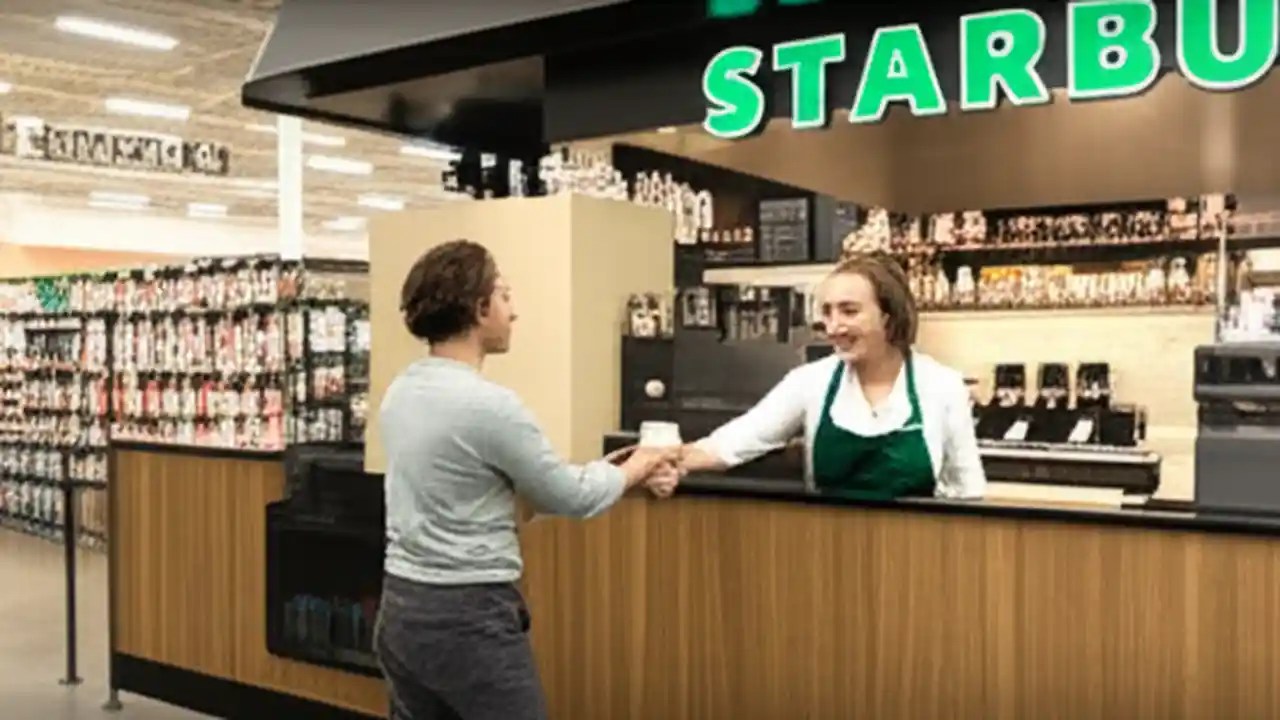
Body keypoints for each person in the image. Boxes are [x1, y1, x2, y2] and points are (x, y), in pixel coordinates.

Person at [374, 239, 678, 720]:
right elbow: (570, 496)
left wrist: (614, 465)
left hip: (402, 607)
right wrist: (642, 464)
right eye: (505, 296)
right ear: (479, 308)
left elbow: (468, 484)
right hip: (469, 615)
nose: (513, 312)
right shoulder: (491, 406)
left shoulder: (401, 391)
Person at [679, 253, 986, 500]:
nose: (834, 327)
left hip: (913, 559)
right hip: (829, 555)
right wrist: (665, 460)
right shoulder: (811, 382)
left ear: (889, 317)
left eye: (849, 311)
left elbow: (968, 491)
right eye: (827, 312)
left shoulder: (941, 386)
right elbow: (733, 443)